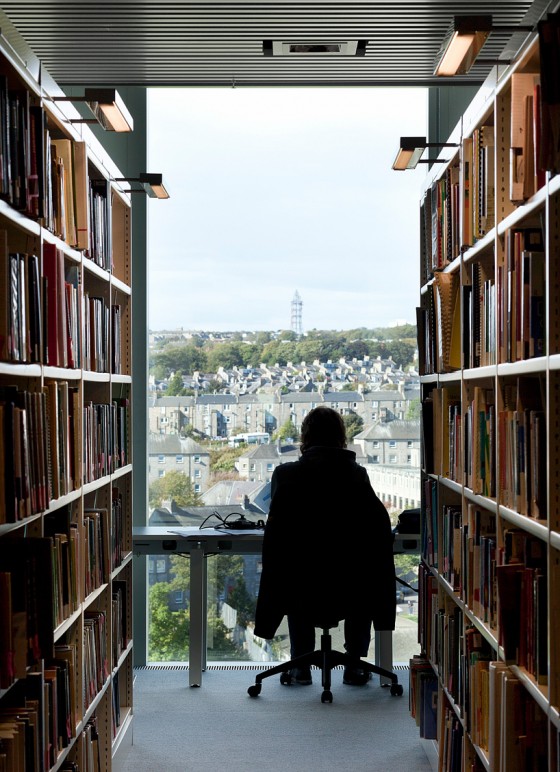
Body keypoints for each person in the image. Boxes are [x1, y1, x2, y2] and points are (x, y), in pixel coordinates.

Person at [254, 405, 396, 686]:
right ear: (340, 437)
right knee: (362, 577)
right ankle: (355, 665)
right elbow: (378, 531)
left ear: (305, 437)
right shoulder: (356, 475)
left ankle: (300, 666)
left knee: (296, 575)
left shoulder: (285, 475)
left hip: (302, 586)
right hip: (349, 587)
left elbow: (279, 537)